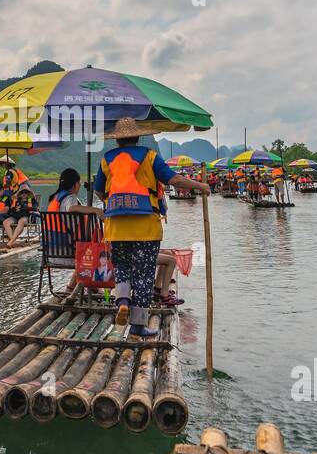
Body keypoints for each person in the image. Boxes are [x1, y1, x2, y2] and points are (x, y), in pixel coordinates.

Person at [93, 118, 210, 338]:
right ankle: (137, 326)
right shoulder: (150, 156)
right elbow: (174, 179)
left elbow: (100, 192)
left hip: (116, 227)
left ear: (117, 140)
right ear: (139, 136)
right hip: (145, 226)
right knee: (144, 276)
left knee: (122, 268)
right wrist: (201, 186)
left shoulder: (106, 160)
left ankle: (123, 301)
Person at [43, 168, 104, 285]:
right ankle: (94, 287)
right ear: (75, 184)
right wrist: (96, 210)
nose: (80, 185)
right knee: (95, 251)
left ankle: (71, 289)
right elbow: (72, 208)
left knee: (88, 248)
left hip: (51, 252)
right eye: (79, 182)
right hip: (68, 252)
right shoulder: (70, 198)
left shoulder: (54, 198)